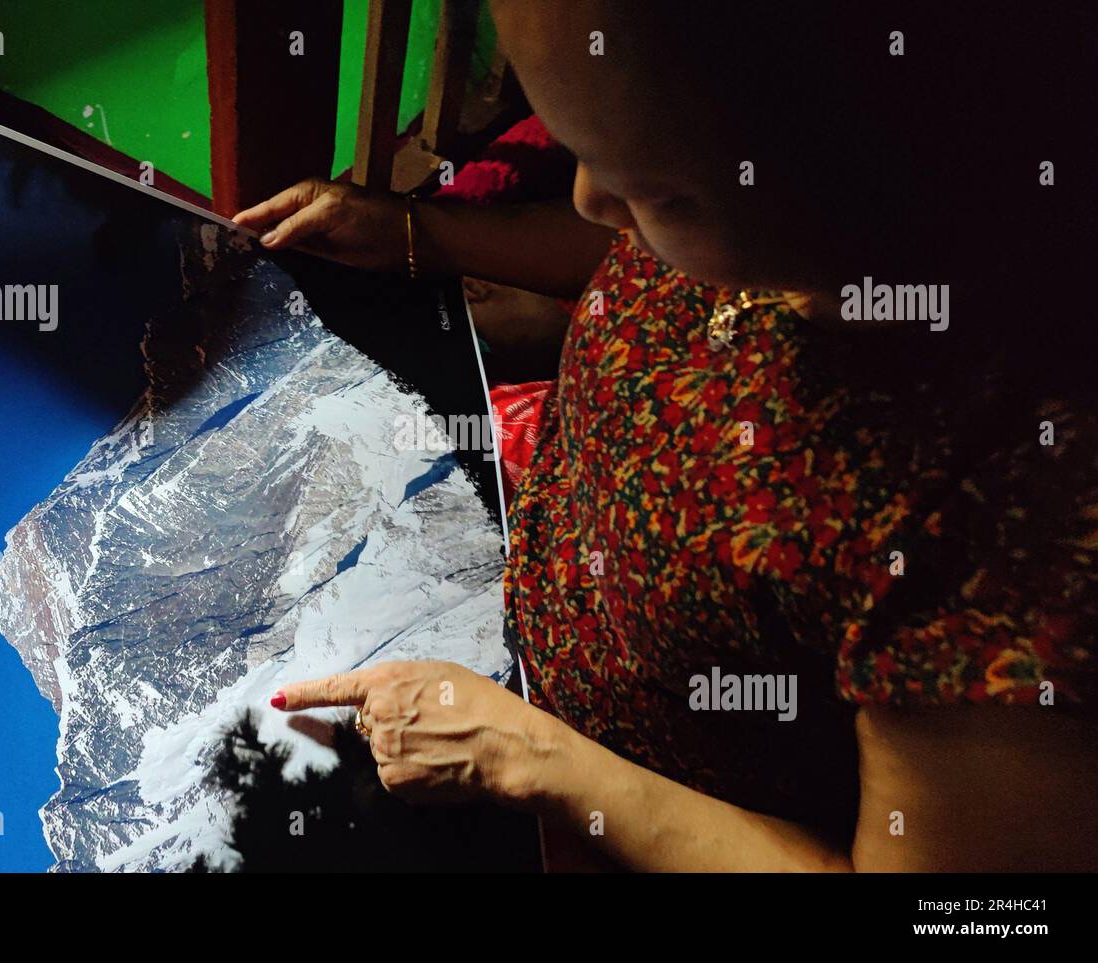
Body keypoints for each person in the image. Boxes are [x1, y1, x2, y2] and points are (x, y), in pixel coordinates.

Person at [234, 2, 1098, 870]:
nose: (590, 202)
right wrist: (423, 234)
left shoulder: (1011, 537)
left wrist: (526, 758)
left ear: (854, 170)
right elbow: (648, 242)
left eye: (658, 190)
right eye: (585, 154)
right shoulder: (768, 219)